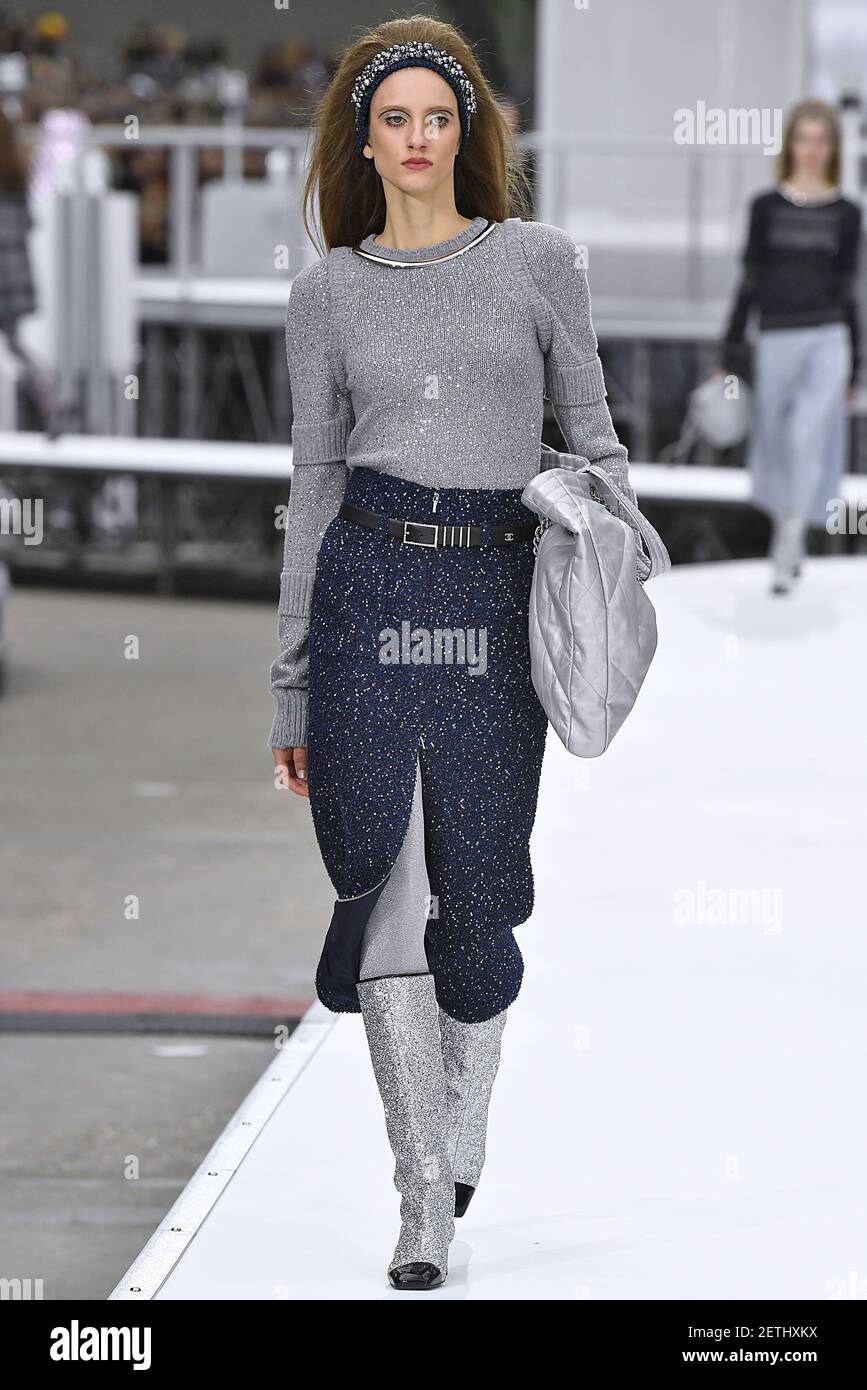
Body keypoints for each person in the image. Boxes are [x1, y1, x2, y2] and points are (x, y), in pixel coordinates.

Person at [266, 16, 636, 1291]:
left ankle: (465, 1117)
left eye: (439, 118)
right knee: (380, 881)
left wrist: (612, 550)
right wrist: (294, 678)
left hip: (492, 586)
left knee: (477, 890)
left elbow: (591, 433)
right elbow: (313, 488)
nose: (419, 141)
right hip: (370, 584)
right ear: (362, 144)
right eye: (395, 122)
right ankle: (421, 1191)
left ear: (465, 131)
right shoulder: (326, 294)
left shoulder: (541, 264)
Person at [717, 98, 862, 595]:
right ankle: (788, 529)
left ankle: (790, 538)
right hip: (776, 337)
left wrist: (857, 366)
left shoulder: (848, 213)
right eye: (804, 139)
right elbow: (750, 281)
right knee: (776, 445)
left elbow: (849, 291)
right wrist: (728, 351)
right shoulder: (766, 207)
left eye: (822, 141)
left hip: (828, 338)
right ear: (791, 145)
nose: (812, 150)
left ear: (833, 148)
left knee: (807, 438)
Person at [0, 107, 66, 437]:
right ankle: (52, 405)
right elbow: (29, 222)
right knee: (15, 344)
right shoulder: (15, 169)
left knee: (15, 345)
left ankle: (52, 406)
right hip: (13, 271)